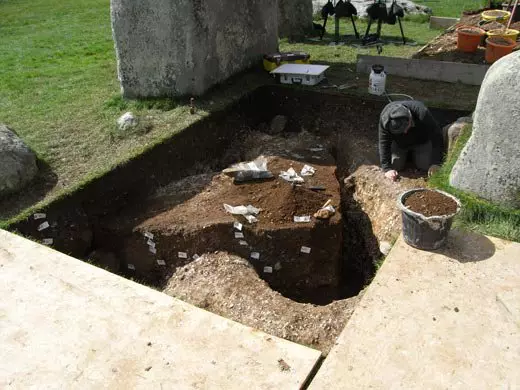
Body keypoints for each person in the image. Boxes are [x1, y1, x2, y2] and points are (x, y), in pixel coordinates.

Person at [378, 100, 443, 181]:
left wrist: (436, 162)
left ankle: (414, 156)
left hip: (421, 142)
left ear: (410, 117)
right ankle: (407, 156)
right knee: (396, 166)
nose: (405, 132)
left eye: (407, 127)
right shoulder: (385, 120)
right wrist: (387, 168)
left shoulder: (421, 111)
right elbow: (383, 142)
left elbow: (436, 135)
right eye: (401, 131)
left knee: (425, 166)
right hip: (400, 145)